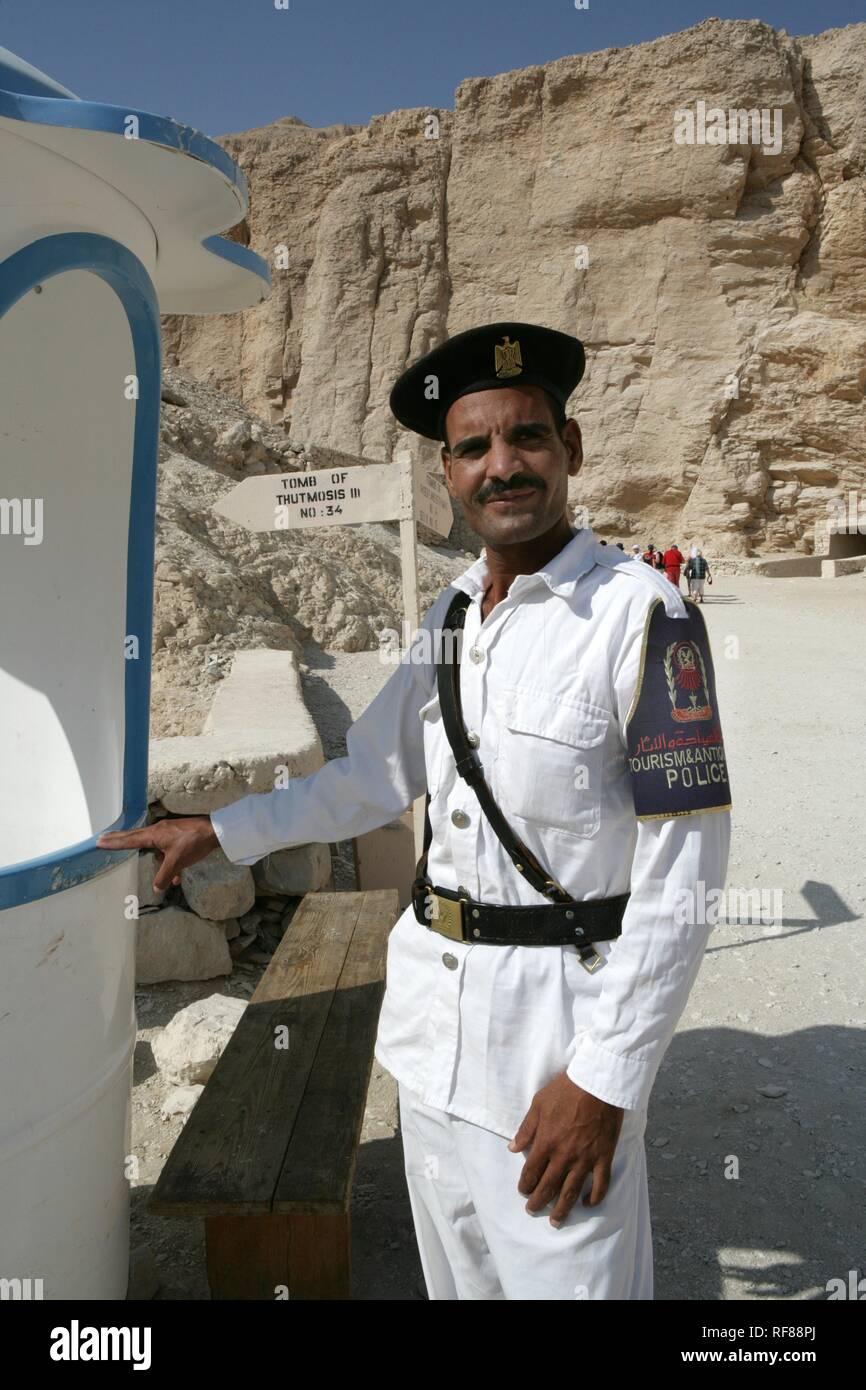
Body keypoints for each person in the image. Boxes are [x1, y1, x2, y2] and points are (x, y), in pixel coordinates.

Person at [99, 321, 731, 1301]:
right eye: (474, 447)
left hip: (552, 1056)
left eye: (525, 438)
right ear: (447, 471)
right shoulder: (447, 619)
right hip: (432, 1046)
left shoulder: (644, 617)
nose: (501, 466)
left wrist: (604, 1079)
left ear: (569, 448)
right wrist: (220, 829)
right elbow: (364, 779)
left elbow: (682, 871)